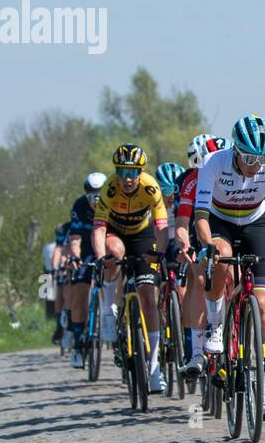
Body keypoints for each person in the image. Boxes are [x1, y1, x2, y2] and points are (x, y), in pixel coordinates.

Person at [194, 115, 265, 420]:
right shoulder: (214, 163)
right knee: (221, 254)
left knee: (263, 303)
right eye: (249, 158)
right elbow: (199, 214)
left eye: (260, 159)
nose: (255, 165)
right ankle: (215, 323)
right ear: (235, 151)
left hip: (254, 222)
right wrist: (208, 244)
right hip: (220, 220)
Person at [91, 145, 170, 390]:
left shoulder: (150, 186)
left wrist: (158, 254)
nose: (127, 177)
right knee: (114, 253)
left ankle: (154, 365)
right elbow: (99, 228)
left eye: (132, 172)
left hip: (142, 235)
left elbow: (161, 227)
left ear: (140, 172)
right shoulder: (109, 188)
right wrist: (102, 257)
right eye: (122, 171)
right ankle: (108, 310)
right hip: (116, 233)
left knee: (148, 294)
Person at [170, 132, 229, 377]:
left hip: (224, 229)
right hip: (198, 230)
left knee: (233, 271)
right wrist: (185, 246)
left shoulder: (232, 176)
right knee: (198, 278)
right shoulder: (192, 181)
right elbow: (183, 221)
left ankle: (236, 332)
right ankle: (196, 352)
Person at [64, 172, 107, 368]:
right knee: (79, 293)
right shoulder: (80, 206)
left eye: (98, 195)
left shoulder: (112, 202)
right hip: (86, 250)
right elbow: (75, 238)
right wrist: (75, 257)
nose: (95, 200)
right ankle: (79, 344)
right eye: (91, 196)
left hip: (107, 247)